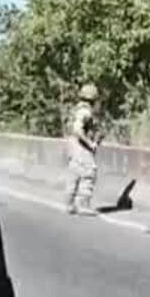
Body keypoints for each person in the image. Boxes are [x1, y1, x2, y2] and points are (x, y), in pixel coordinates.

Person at [64, 83, 102, 216]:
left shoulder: (77, 109)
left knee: (74, 172)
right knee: (89, 173)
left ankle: (69, 203)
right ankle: (83, 205)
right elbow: (77, 130)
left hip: (72, 145)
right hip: (80, 146)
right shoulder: (85, 112)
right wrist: (90, 143)